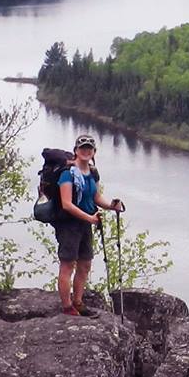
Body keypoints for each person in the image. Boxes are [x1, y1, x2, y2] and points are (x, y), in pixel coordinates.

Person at [55, 132, 123, 315]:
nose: (85, 151)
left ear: (94, 152)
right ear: (75, 151)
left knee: (85, 264)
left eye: (89, 148)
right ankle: (67, 306)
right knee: (68, 265)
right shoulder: (67, 174)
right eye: (82, 148)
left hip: (85, 224)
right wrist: (90, 218)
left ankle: (78, 302)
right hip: (69, 225)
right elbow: (67, 204)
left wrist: (111, 206)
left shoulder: (92, 173)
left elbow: (95, 197)